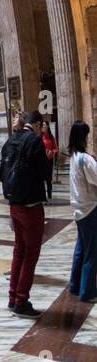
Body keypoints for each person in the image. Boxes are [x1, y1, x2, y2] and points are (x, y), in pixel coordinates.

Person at [0, 111, 49, 318]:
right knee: (31, 254)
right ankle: (21, 301)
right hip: (31, 205)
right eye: (42, 126)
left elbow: (3, 172)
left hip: (14, 203)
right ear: (37, 124)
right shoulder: (34, 141)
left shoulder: (10, 140)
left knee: (19, 250)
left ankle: (13, 297)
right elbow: (45, 173)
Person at [68, 121, 97, 303]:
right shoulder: (85, 159)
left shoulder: (73, 156)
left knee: (80, 249)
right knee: (92, 251)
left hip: (78, 209)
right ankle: (87, 291)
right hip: (90, 208)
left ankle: (75, 284)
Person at [41, 120, 57, 201]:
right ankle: (43, 196)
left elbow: (55, 148)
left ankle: (49, 195)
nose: (43, 126)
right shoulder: (39, 137)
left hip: (49, 160)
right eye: (42, 125)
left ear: (47, 126)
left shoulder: (51, 137)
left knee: (49, 179)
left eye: (45, 125)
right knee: (42, 178)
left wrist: (52, 151)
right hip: (42, 160)